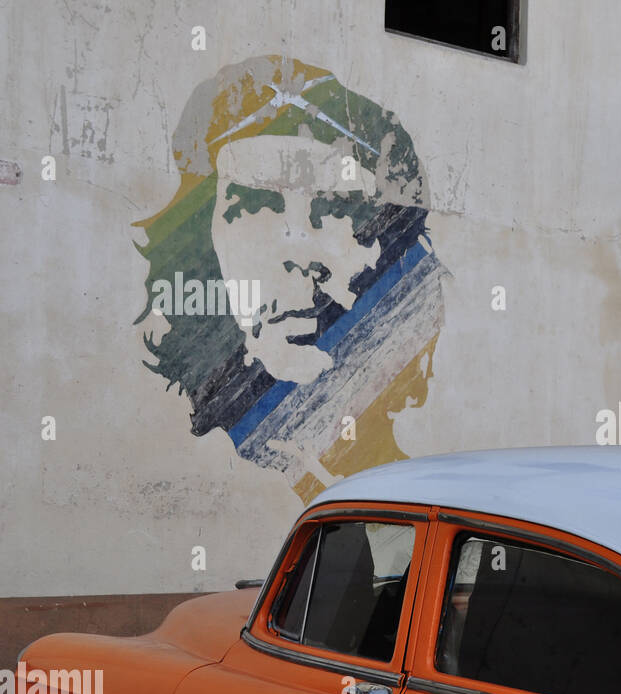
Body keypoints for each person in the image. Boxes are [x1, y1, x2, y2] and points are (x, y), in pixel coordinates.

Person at [133, 54, 447, 502]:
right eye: (254, 207)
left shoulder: (411, 499)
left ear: (383, 246)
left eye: (336, 208)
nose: (297, 252)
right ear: (208, 242)